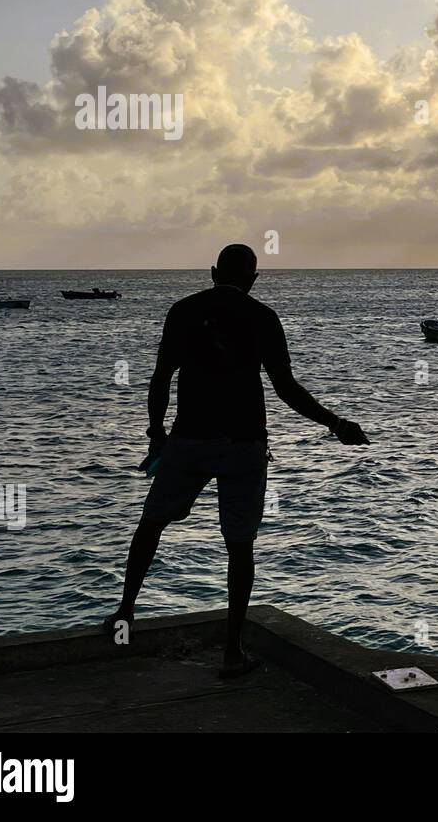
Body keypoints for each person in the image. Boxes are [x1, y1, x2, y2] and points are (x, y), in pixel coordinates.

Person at [106, 243, 368, 676]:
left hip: (189, 439)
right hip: (243, 444)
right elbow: (286, 388)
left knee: (150, 526)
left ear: (212, 272)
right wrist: (335, 423)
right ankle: (232, 651)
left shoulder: (183, 311)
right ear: (253, 278)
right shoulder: (263, 318)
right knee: (239, 546)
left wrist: (157, 437)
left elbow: (160, 379)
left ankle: (125, 613)